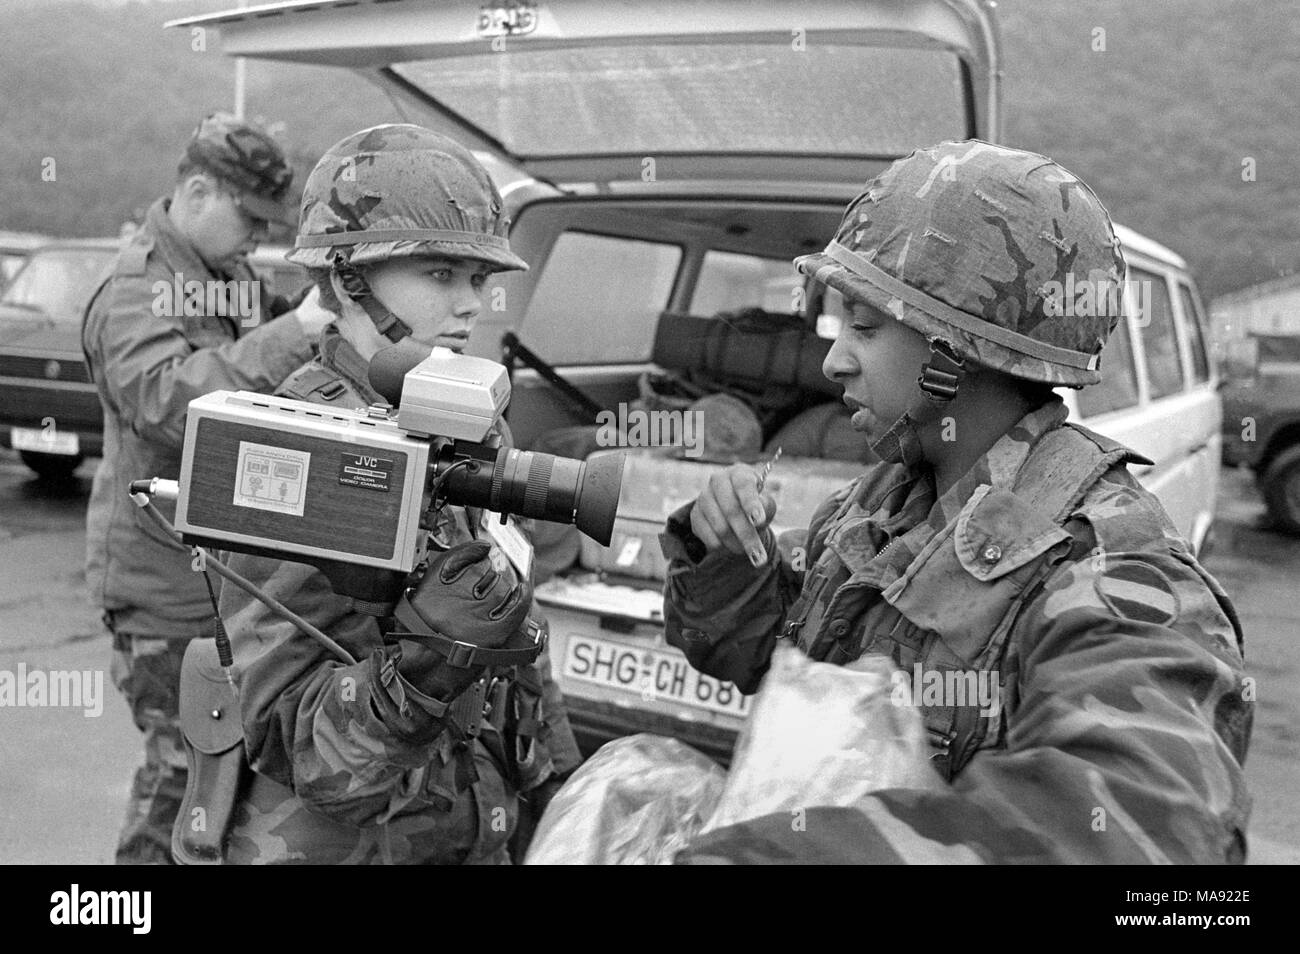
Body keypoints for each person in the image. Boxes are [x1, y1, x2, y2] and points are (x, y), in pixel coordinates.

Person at [659, 140, 1253, 864]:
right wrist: (728, 559)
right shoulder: (874, 507)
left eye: (866, 328)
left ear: (955, 354)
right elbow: (788, 676)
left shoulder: (1115, 572)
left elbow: (1148, 828)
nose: (833, 360)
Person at [175, 124, 581, 865]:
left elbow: (518, 638)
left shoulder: (459, 416)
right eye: (439, 275)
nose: (471, 306)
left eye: (478, 280)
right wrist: (423, 674)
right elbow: (297, 746)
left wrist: (561, 792)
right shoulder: (298, 448)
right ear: (347, 277)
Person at [82, 111, 332, 864]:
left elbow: (270, 365)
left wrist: (316, 316)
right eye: (250, 218)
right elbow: (167, 402)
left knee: (223, 778)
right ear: (197, 192)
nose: (259, 237)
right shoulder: (137, 289)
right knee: (184, 773)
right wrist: (299, 330)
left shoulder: (226, 279)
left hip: (221, 579)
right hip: (164, 590)